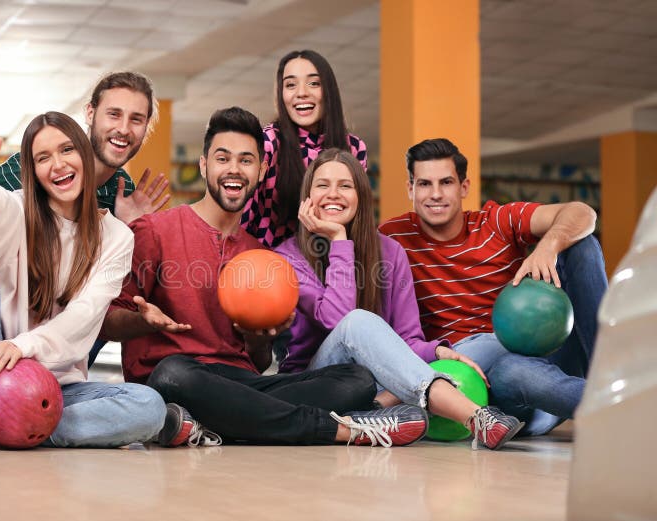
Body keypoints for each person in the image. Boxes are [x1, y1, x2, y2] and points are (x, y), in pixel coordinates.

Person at [102, 107, 424, 448]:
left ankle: (207, 423)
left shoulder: (260, 254)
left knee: (356, 380)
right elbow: (109, 322)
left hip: (241, 385)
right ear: (204, 165)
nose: (234, 169)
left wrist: (258, 339)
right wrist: (143, 321)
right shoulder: (154, 230)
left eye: (246, 160)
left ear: (261, 170)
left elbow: (257, 362)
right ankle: (338, 430)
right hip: (177, 378)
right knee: (174, 374)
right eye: (223, 158)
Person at [0, 72, 170, 424]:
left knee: (93, 323)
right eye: (114, 114)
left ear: (146, 127)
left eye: (136, 119)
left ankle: (18, 417)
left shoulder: (122, 194)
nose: (123, 128)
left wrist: (131, 225)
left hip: (40, 319)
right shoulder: (30, 170)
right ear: (90, 113)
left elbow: (93, 302)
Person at [275, 148, 523, 450]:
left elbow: (407, 340)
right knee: (357, 322)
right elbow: (337, 319)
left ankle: (376, 411)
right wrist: (339, 240)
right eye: (322, 185)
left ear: (360, 195)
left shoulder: (390, 253)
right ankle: (474, 417)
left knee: (487, 345)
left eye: (345, 185)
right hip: (316, 383)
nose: (333, 194)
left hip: (375, 380)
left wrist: (438, 351)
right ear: (307, 197)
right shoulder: (287, 258)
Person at [379, 138, 607, 436]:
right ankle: (620, 405)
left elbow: (583, 213)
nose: (435, 194)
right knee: (512, 371)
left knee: (582, 245)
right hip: (501, 385)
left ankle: (609, 376)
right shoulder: (392, 238)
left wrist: (548, 245)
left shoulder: (496, 222)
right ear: (411, 189)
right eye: (424, 184)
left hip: (546, 351)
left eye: (446, 182)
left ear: (464, 187)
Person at [240, 49, 367, 248]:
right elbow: (241, 219)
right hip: (268, 260)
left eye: (314, 83)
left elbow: (358, 220)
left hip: (334, 257)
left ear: (329, 91)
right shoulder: (268, 142)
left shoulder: (354, 147)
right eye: (290, 85)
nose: (301, 93)